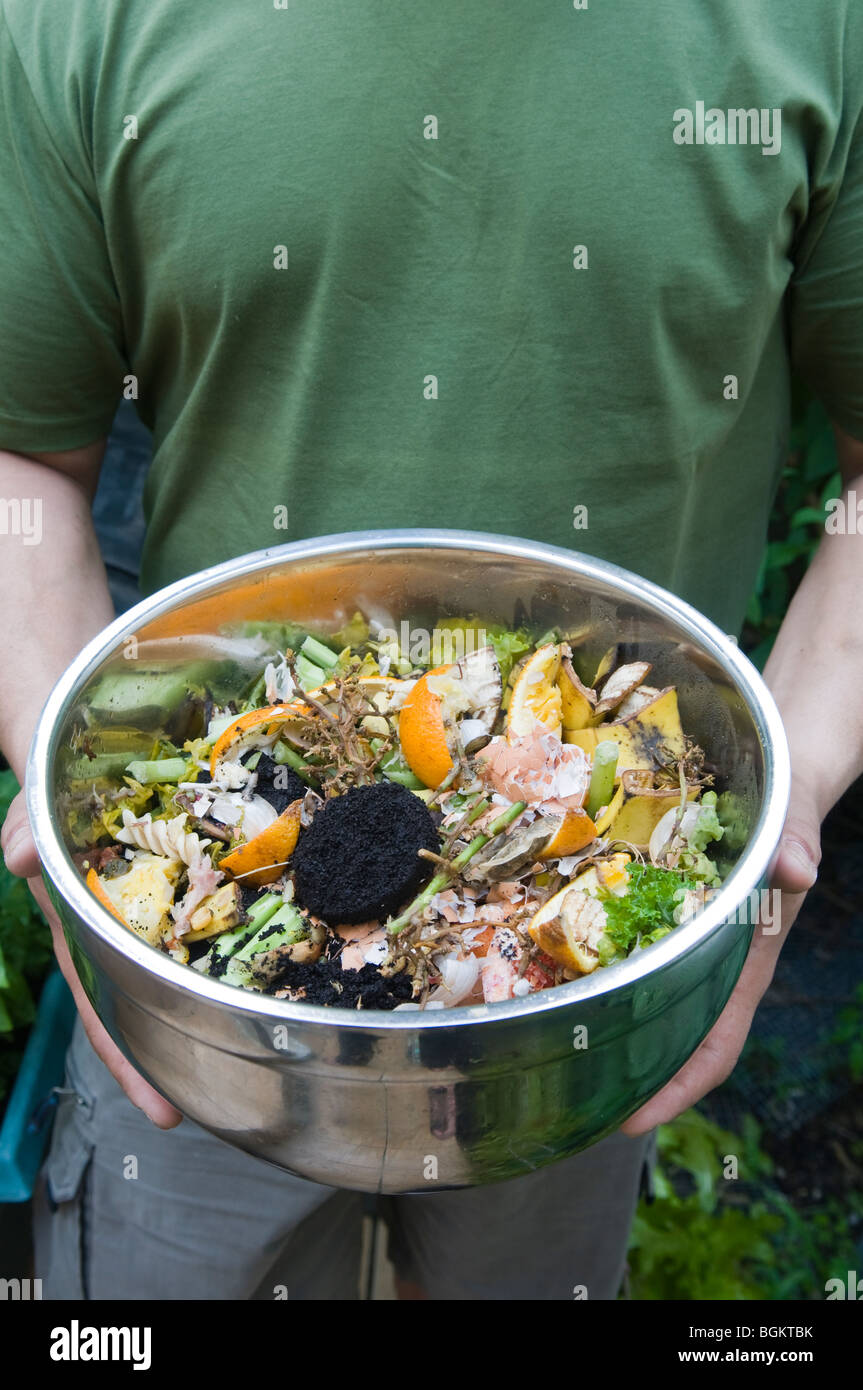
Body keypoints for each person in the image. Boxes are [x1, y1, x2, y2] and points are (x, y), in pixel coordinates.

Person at [1, 0, 861, 1300]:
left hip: (581, 989)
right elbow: (23, 454)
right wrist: (69, 795)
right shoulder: (78, 18)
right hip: (203, 995)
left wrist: (778, 818)